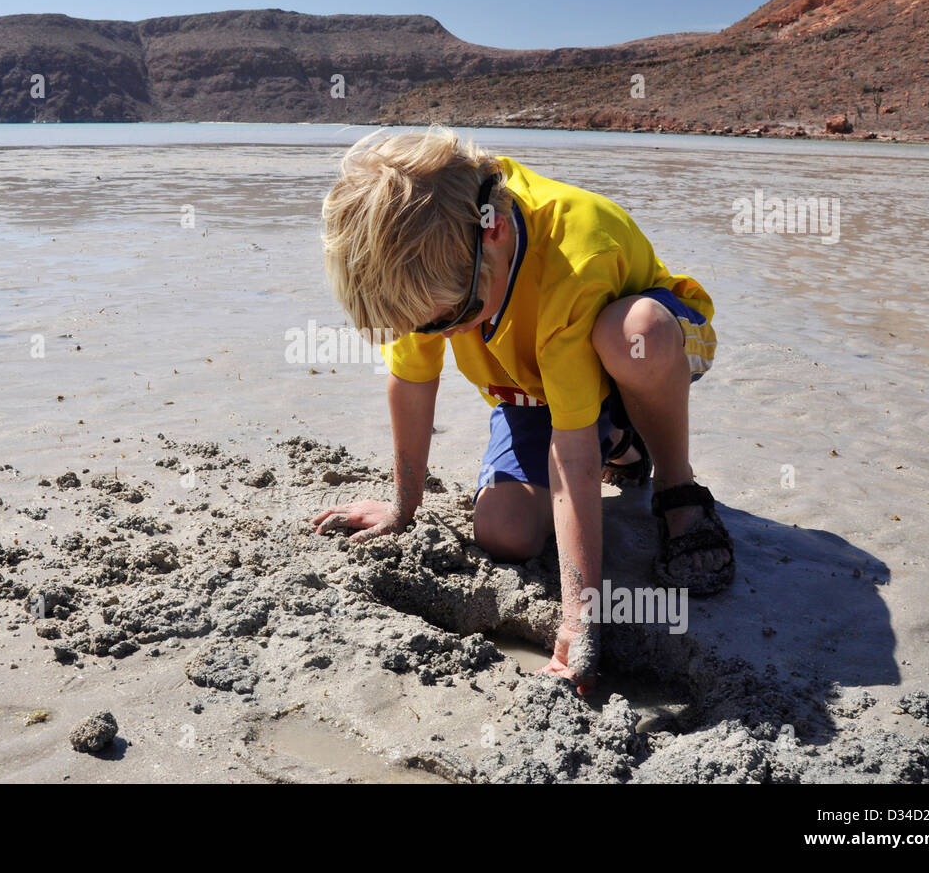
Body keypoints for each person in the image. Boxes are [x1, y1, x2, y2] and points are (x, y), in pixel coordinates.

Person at [310, 125, 734, 696]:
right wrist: (402, 506)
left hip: (647, 350)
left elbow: (573, 452)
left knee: (637, 334)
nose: (436, 334)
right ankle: (626, 445)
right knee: (504, 532)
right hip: (536, 385)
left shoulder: (576, 254)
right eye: (420, 326)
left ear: (498, 233)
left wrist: (579, 618)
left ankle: (675, 489)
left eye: (446, 320)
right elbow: (412, 382)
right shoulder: (426, 272)